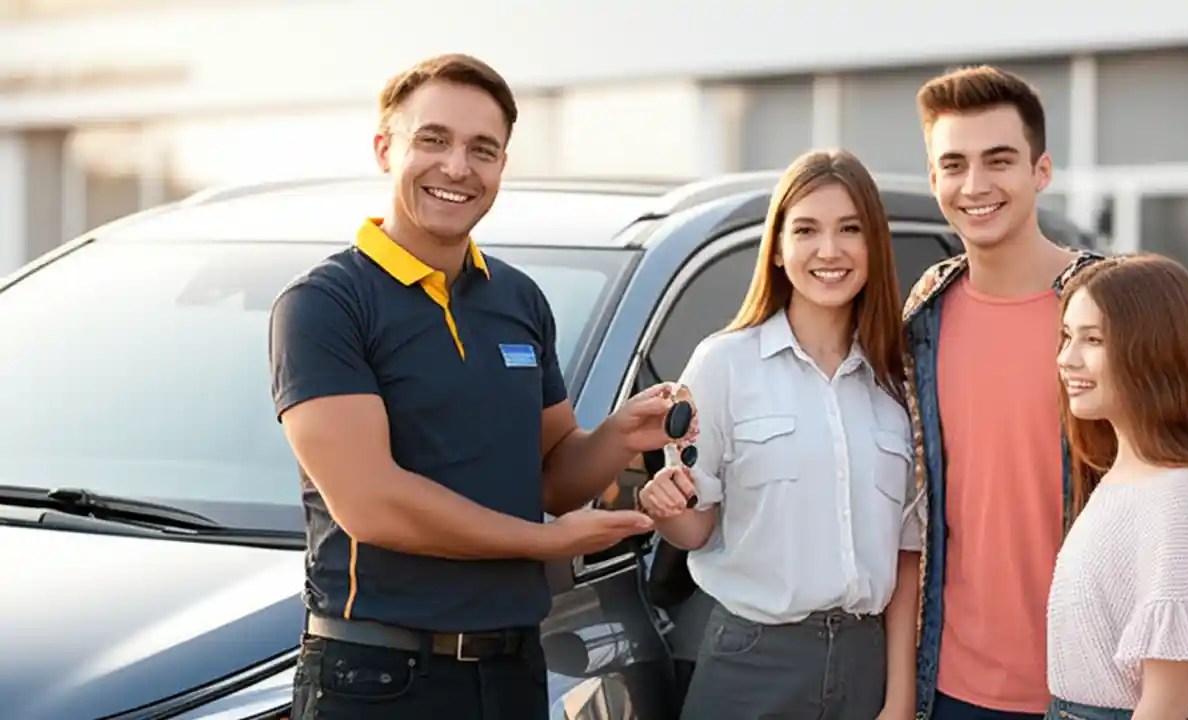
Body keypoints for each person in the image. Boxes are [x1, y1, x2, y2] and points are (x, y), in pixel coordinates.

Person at [268, 53, 694, 720]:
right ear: (386, 149)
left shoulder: (518, 299)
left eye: (482, 149)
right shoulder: (327, 304)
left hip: (513, 672)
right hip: (378, 679)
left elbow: (554, 478)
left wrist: (617, 436)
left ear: (501, 166)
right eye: (432, 140)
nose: (458, 168)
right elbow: (372, 505)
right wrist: (546, 542)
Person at [640, 148, 923, 720]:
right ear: (777, 247)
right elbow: (695, 527)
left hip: (867, 664)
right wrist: (661, 505)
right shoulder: (723, 364)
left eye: (850, 229)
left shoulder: (898, 380)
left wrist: (899, 698)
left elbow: (906, 552)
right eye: (807, 230)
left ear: (874, 245)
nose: (829, 250)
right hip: (753, 661)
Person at [900, 65, 1104, 719]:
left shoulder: (1113, 307)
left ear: (1040, 171)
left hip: (1095, 687)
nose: (975, 185)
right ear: (934, 180)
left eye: (999, 160)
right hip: (952, 686)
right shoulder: (925, 314)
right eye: (953, 164)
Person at [1048, 253, 1188, 720]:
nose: (1066, 359)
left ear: (1153, 351)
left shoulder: (1179, 493)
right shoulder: (1120, 477)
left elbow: (1167, 699)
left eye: (1093, 340)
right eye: (1067, 336)